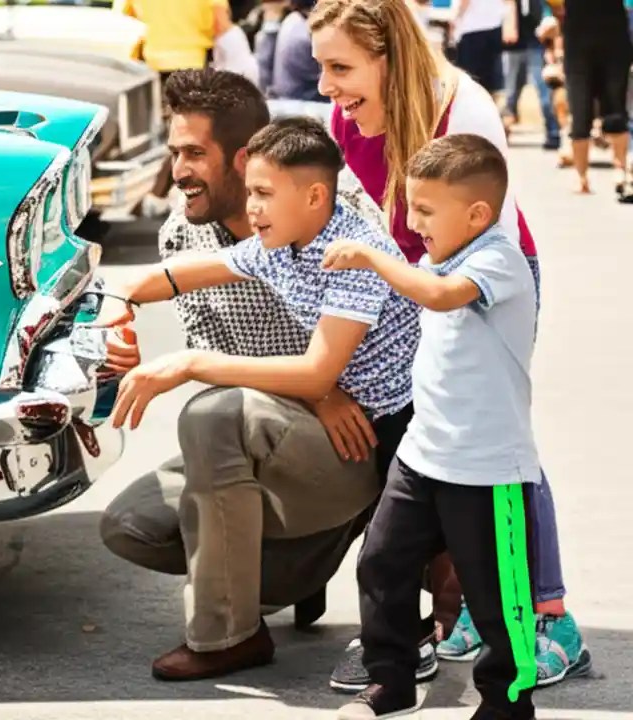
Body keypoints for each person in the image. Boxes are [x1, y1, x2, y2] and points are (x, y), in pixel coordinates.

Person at [308, 0, 590, 690]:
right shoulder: (342, 120)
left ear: (389, 57)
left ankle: (548, 617)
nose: (326, 87)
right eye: (321, 67)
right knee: (432, 444)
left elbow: (478, 241)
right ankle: (449, 613)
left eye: (341, 67)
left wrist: (400, 280)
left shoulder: (461, 108)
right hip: (411, 283)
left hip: (477, 286)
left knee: (495, 443)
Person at [98, 100, 422, 680]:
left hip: (371, 448)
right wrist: (118, 305)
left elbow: (317, 375)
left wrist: (191, 363)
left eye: (265, 194)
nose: (252, 207)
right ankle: (288, 575)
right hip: (315, 433)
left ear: (316, 198)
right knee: (130, 524)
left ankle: (229, 635)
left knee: (212, 414)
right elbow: (166, 279)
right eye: (250, 192)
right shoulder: (278, 244)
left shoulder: (350, 252)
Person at [325, 134, 539, 720]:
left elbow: (442, 298)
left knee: (498, 599)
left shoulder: (498, 258)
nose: (412, 221)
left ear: (477, 213)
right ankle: (389, 682)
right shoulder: (440, 254)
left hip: (487, 467)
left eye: (424, 210)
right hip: (422, 456)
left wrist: (372, 257)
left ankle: (506, 702)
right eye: (411, 207)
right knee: (382, 564)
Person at [116, 0, 260, 216]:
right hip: (191, 61)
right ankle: (164, 196)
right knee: (191, 135)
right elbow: (220, 23)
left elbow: (123, 19)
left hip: (150, 61)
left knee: (175, 134)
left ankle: (161, 195)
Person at [554, 0, 632, 197]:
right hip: (577, 40)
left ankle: (620, 170)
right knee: (580, 111)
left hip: (613, 37)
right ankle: (581, 177)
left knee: (616, 110)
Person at [501, 0, 562, 151]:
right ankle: (501, 134)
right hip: (512, 46)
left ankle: (553, 133)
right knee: (510, 94)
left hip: (536, 44)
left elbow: (552, 13)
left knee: (544, 91)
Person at [451, 0, 506, 94]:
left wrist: (455, 18)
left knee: (470, 81)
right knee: (490, 84)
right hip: (494, 26)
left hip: (472, 29)